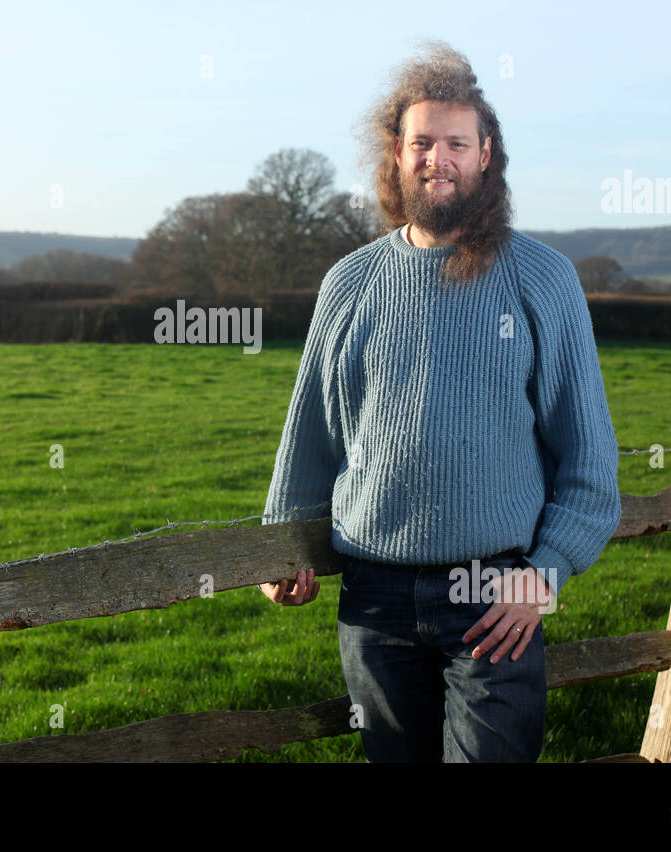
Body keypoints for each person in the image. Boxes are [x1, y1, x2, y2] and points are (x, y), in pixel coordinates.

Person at [258, 41, 622, 763]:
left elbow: (588, 460)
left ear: (487, 155)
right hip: (374, 601)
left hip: (495, 598)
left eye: (457, 143)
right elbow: (311, 440)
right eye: (422, 142)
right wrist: (280, 546)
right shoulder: (350, 283)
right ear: (397, 153)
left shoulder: (542, 280)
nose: (438, 159)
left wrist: (543, 574)